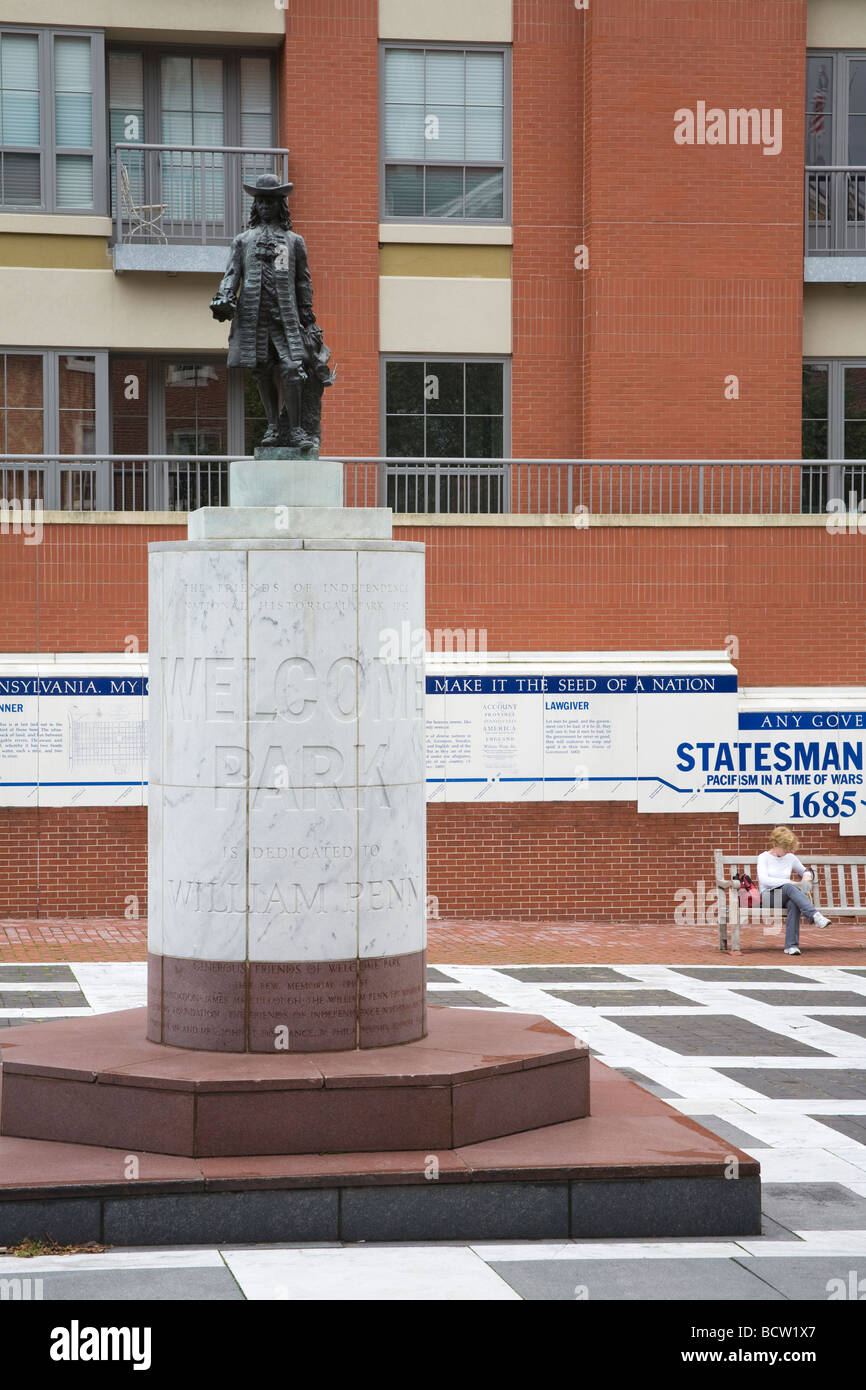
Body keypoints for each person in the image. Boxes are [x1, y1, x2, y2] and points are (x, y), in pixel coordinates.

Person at [209, 172, 334, 451]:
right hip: (254, 315)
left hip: (285, 316)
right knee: (262, 370)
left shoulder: (294, 241)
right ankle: (273, 426)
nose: (265, 206)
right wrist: (225, 295)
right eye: (261, 202)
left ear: (280, 205)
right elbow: (232, 274)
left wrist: (307, 315)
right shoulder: (242, 241)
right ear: (256, 206)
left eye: (271, 202)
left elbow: (303, 280)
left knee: (293, 368)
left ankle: (298, 429)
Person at [757, 825, 832, 955]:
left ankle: (791, 946)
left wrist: (807, 875)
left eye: (789, 848)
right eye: (785, 847)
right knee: (789, 887)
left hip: (786, 896)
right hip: (768, 897)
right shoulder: (763, 857)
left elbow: (805, 870)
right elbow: (764, 880)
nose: (787, 850)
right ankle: (815, 915)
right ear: (775, 844)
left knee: (794, 902)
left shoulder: (790, 857)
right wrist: (789, 882)